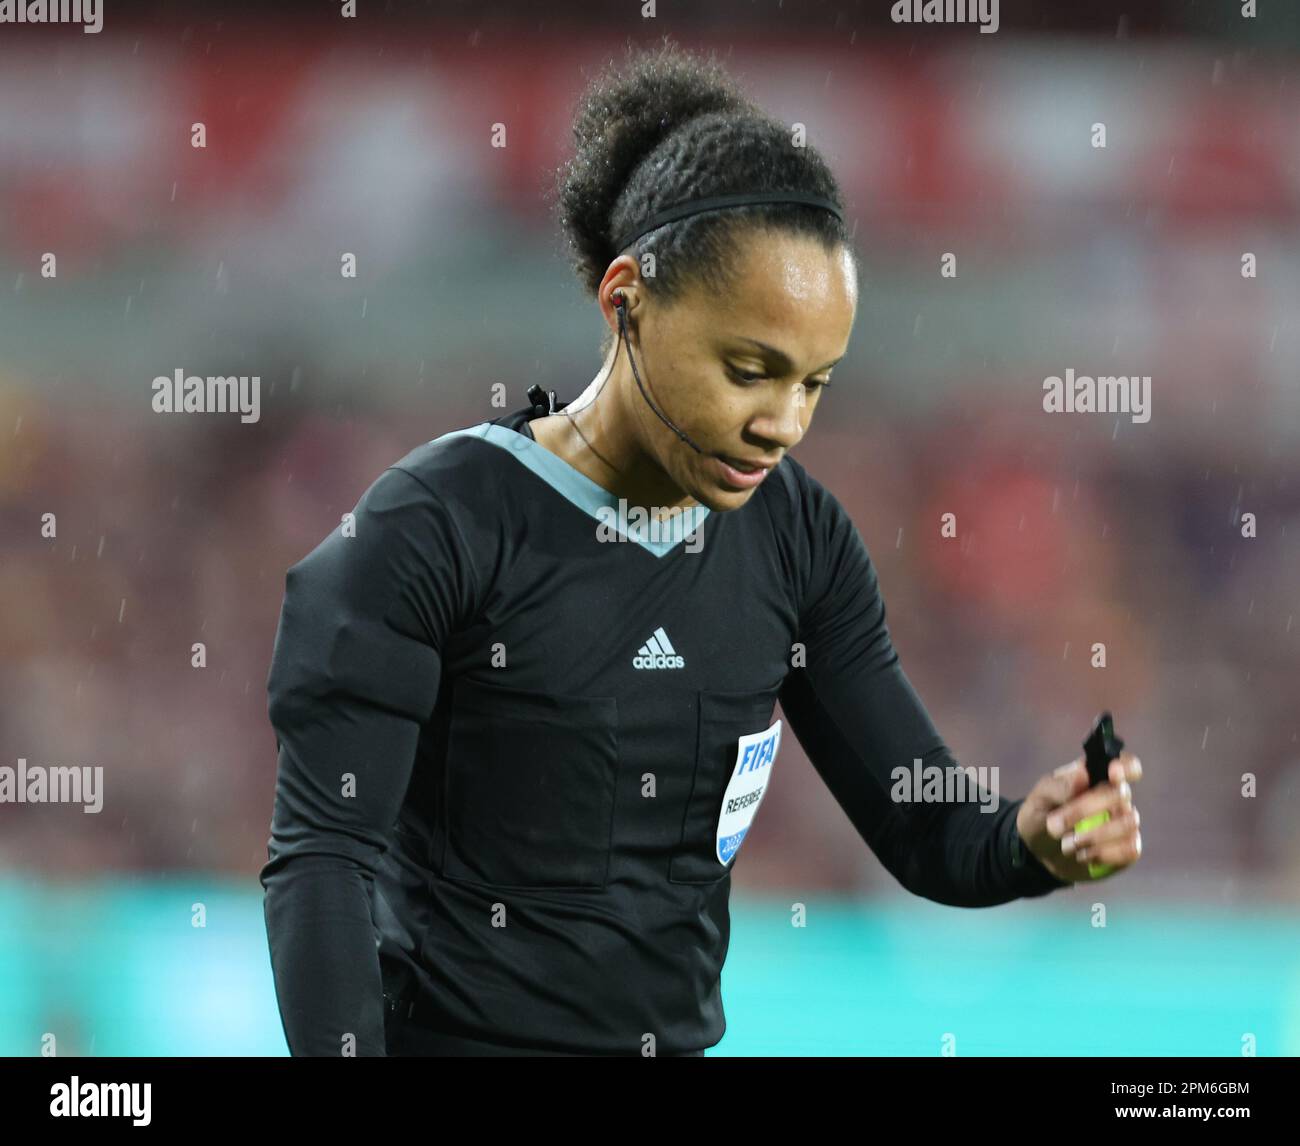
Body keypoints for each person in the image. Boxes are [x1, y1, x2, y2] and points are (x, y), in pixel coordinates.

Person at [259, 41, 1144, 1058]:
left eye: (813, 382)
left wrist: (1030, 841)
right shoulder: (429, 530)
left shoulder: (797, 536)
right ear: (626, 302)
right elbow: (320, 857)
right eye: (749, 368)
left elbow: (924, 829)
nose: (783, 423)